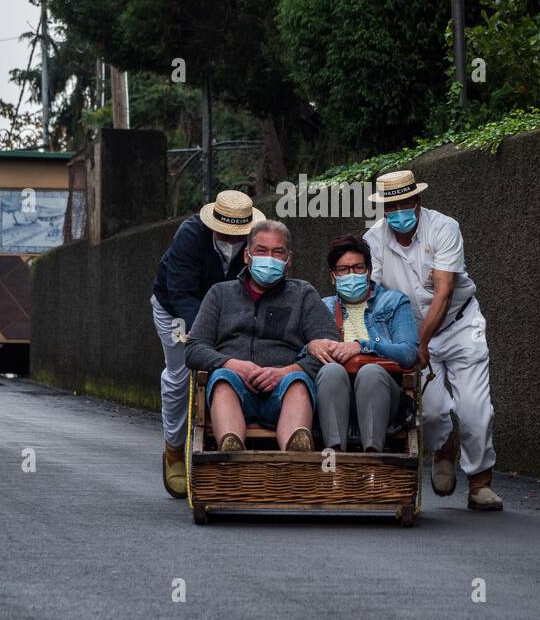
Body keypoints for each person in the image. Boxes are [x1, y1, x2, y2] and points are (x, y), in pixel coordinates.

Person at [364, 169, 501, 512]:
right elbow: (373, 294)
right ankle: (444, 447)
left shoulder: (444, 228)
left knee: (474, 409)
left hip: (459, 324)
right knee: (433, 411)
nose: (397, 211)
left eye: (404, 203)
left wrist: (421, 345)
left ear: (417, 201)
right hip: (409, 332)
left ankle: (480, 482)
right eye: (389, 206)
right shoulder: (373, 240)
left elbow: (443, 292)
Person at [183, 220, 338, 453]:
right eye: (261, 251)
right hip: (235, 388)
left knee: (298, 384)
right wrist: (231, 364)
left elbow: (330, 349)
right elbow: (194, 348)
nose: (269, 258)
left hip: (284, 389)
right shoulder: (220, 294)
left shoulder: (303, 294)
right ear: (247, 256)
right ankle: (231, 450)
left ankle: (296, 454)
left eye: (278, 252)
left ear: (289, 259)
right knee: (222, 379)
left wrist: (286, 372)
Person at [151, 189, 265, 496]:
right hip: (176, 311)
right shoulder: (190, 235)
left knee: (232, 370)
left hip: (227, 312)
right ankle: (174, 449)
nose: (231, 240)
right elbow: (181, 293)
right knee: (180, 374)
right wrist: (203, 336)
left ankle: (226, 448)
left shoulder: (257, 240)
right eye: (225, 234)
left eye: (237, 234)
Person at [307, 234, 418, 452]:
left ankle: (372, 460)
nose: (351, 274)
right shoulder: (322, 307)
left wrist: (366, 345)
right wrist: (311, 346)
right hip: (333, 398)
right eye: (343, 269)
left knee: (370, 372)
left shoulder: (394, 301)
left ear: (368, 271)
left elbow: (409, 352)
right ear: (333, 277)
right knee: (331, 371)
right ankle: (336, 458)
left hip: (384, 398)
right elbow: (298, 353)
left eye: (358, 267)